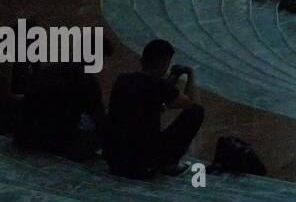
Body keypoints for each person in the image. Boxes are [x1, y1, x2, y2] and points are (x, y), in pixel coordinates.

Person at [104, 39, 204, 179]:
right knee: (197, 112)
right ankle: (168, 164)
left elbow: (147, 101)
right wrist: (190, 75)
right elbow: (190, 104)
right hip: (141, 160)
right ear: (163, 62)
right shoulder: (158, 86)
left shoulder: (123, 79)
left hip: (113, 156)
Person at [15, 38, 113, 160]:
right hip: (53, 143)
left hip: (25, 136)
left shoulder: (48, 70)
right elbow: (99, 120)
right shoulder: (87, 82)